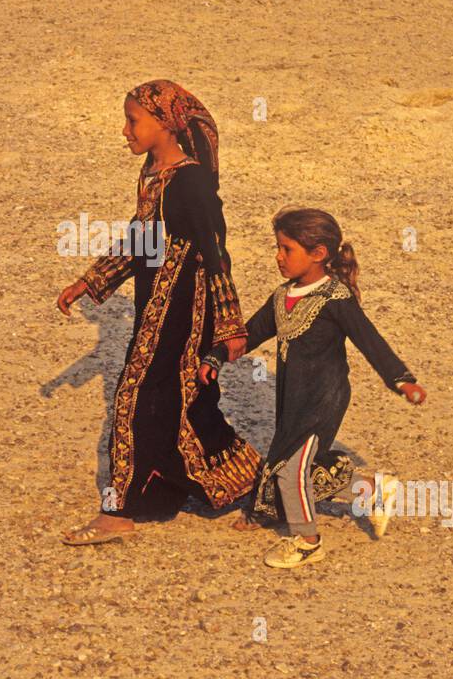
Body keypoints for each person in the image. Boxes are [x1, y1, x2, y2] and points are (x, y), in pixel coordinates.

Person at [57, 80, 260, 544]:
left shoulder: (190, 183)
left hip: (185, 310)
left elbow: (215, 254)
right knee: (184, 402)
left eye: (133, 120)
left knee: (133, 396)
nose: (125, 130)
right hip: (156, 307)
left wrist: (229, 326)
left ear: (164, 124)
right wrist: (90, 283)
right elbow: (139, 240)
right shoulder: (153, 172)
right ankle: (252, 481)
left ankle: (120, 511)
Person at [199, 207, 426, 568]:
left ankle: (307, 541)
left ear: (318, 253)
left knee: (291, 467)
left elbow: (371, 341)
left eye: (287, 249)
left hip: (324, 398)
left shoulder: (336, 298)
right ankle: (372, 491)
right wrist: (214, 357)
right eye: (278, 247)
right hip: (292, 399)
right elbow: (251, 334)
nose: (278, 257)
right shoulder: (282, 297)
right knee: (293, 462)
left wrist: (403, 380)